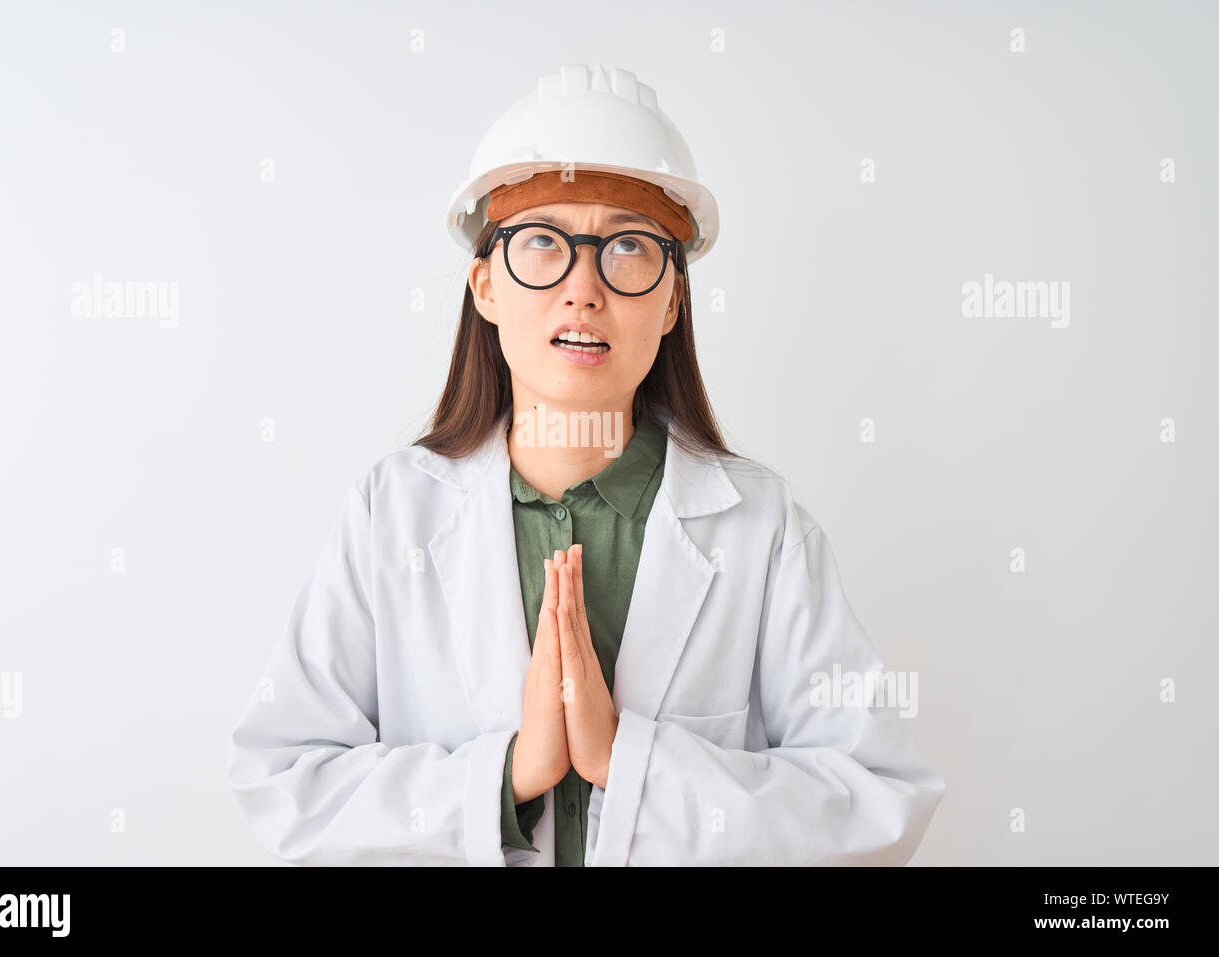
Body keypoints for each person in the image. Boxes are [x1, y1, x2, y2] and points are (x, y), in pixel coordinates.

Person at [226, 63, 945, 866]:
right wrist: (505, 777)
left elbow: (879, 803)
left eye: (628, 248)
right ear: (486, 285)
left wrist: (628, 764)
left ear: (672, 300)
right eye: (543, 242)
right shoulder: (388, 515)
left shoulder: (762, 528)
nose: (582, 289)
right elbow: (283, 783)